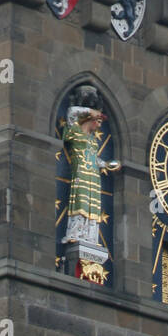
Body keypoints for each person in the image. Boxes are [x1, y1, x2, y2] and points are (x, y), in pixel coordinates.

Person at [61, 106, 120, 247]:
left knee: (93, 206)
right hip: (81, 173)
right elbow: (71, 112)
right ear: (90, 119)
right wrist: (89, 110)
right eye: (98, 121)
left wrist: (105, 164)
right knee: (80, 202)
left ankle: (90, 237)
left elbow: (94, 158)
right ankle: (75, 233)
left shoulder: (93, 141)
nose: (99, 126)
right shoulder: (76, 132)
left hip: (93, 176)